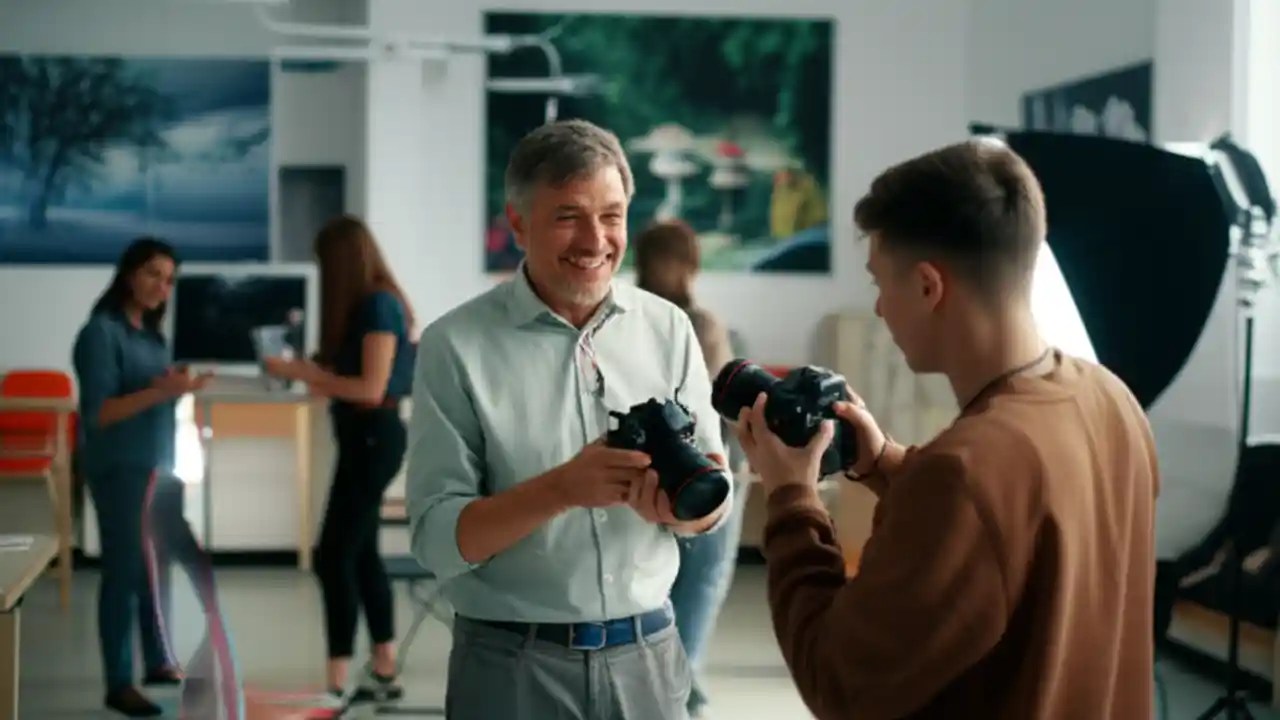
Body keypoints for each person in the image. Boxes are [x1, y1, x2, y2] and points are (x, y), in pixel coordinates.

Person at [733, 140, 1158, 719]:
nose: (880, 309)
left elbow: (838, 685)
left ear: (930, 286)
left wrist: (792, 502)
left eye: (880, 282)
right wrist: (883, 462)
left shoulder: (964, 473)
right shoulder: (1110, 398)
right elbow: (1021, 534)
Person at [407, 118, 732, 720]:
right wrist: (559, 490)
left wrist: (684, 514)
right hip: (510, 668)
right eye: (567, 216)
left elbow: (715, 501)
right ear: (517, 223)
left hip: (650, 657)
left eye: (611, 216)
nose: (595, 239)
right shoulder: (455, 345)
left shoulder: (669, 328)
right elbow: (435, 538)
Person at [264, 215, 416, 702]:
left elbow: (370, 390)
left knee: (333, 556)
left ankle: (336, 679)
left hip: (375, 440)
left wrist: (302, 373)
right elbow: (351, 383)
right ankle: (385, 665)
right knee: (361, 551)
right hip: (362, 440)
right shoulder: (366, 307)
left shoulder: (378, 306)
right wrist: (312, 373)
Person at [72, 237, 212, 717]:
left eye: (170, 279)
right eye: (154, 274)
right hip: (118, 469)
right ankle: (118, 682)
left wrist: (181, 388)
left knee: (156, 569)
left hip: (156, 464)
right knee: (124, 570)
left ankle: (157, 661)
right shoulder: (101, 334)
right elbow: (102, 412)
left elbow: (154, 392)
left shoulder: (151, 337)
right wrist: (162, 392)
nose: (162, 286)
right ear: (130, 272)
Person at [633, 219, 746, 719]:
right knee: (704, 575)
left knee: (655, 574)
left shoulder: (626, 318)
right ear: (691, 263)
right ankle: (683, 679)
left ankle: (662, 677)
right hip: (705, 468)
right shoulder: (699, 324)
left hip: (644, 464)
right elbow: (718, 407)